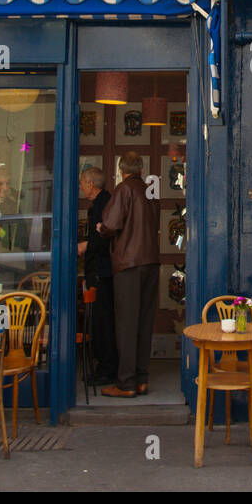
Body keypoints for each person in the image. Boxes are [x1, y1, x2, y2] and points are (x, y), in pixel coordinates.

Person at [96, 151, 160, 398]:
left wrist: (102, 228)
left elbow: (111, 224)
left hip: (129, 264)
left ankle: (126, 383)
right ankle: (142, 378)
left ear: (121, 170)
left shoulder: (124, 190)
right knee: (145, 321)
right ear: (142, 171)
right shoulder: (149, 191)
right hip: (151, 261)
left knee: (126, 324)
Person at [77, 165, 118, 386]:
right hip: (100, 270)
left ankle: (106, 369)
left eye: (83, 183)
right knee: (102, 320)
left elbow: (103, 239)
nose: (81, 187)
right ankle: (105, 365)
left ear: (90, 184)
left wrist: (86, 245)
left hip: (103, 271)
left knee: (103, 322)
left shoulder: (103, 205)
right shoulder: (103, 202)